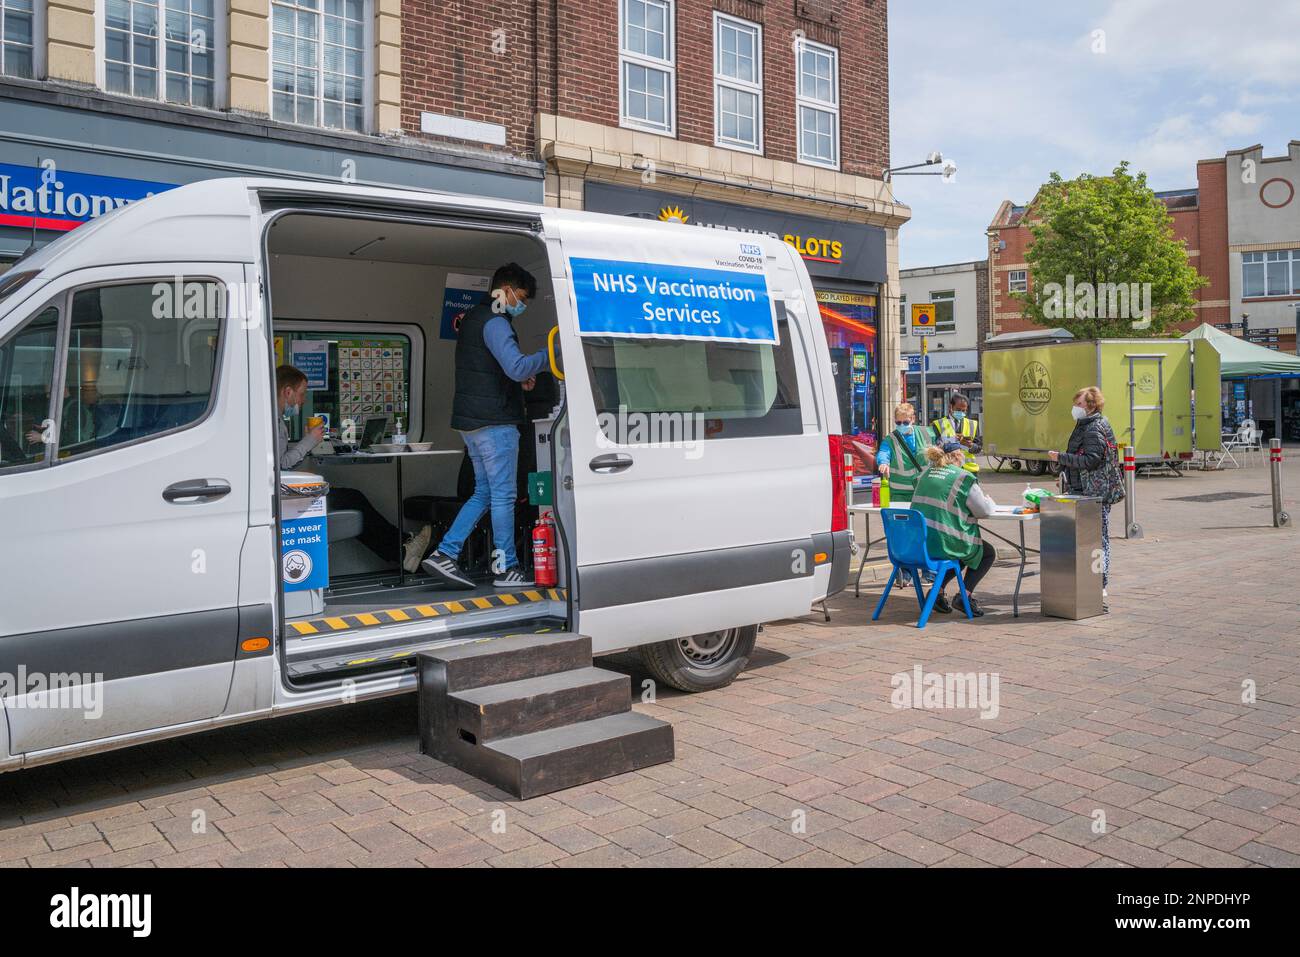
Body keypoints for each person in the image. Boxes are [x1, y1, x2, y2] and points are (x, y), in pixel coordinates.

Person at [421, 263, 549, 590]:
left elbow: (490, 370)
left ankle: (445, 553)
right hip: (495, 423)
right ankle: (506, 568)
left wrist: (517, 384)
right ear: (504, 290)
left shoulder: (474, 319)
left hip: (472, 422)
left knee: (485, 492)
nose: (521, 306)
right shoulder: (495, 322)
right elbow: (517, 366)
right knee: (504, 496)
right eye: (520, 298)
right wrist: (551, 354)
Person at [276, 363, 409, 566]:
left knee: (353, 497)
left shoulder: (277, 421)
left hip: (287, 492)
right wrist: (309, 440)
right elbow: (282, 464)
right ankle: (403, 551)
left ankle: (402, 548)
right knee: (353, 499)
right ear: (288, 392)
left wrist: (310, 442)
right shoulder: (272, 423)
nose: (302, 401)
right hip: (285, 498)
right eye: (301, 394)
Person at [1049, 386, 1121, 611]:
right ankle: (1092, 587)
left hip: (1092, 493)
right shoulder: (1089, 424)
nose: (1075, 408)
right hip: (1085, 489)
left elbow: (1091, 460)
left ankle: (1098, 589)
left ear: (1091, 406)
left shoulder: (1093, 428)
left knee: (1097, 542)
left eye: (1079, 404)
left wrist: (1061, 457)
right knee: (1093, 541)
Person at [910, 438, 998, 617]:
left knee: (959, 552)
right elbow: (984, 510)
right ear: (957, 455)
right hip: (944, 543)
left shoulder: (924, 474)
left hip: (920, 545)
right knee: (985, 552)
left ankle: (937, 592)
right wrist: (990, 500)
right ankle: (964, 596)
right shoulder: (962, 477)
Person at [876, 401, 933, 498]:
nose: (902, 425)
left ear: (913, 419)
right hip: (900, 493)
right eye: (898, 422)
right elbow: (884, 452)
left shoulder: (926, 433)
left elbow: (941, 447)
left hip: (923, 490)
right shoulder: (890, 439)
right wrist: (883, 462)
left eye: (906, 422)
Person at [932, 393, 981, 473]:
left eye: (963, 410)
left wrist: (971, 445)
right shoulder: (938, 424)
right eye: (958, 410)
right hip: (947, 469)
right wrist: (956, 442)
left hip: (969, 470)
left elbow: (979, 447)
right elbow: (934, 448)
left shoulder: (973, 424)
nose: (961, 413)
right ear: (950, 407)